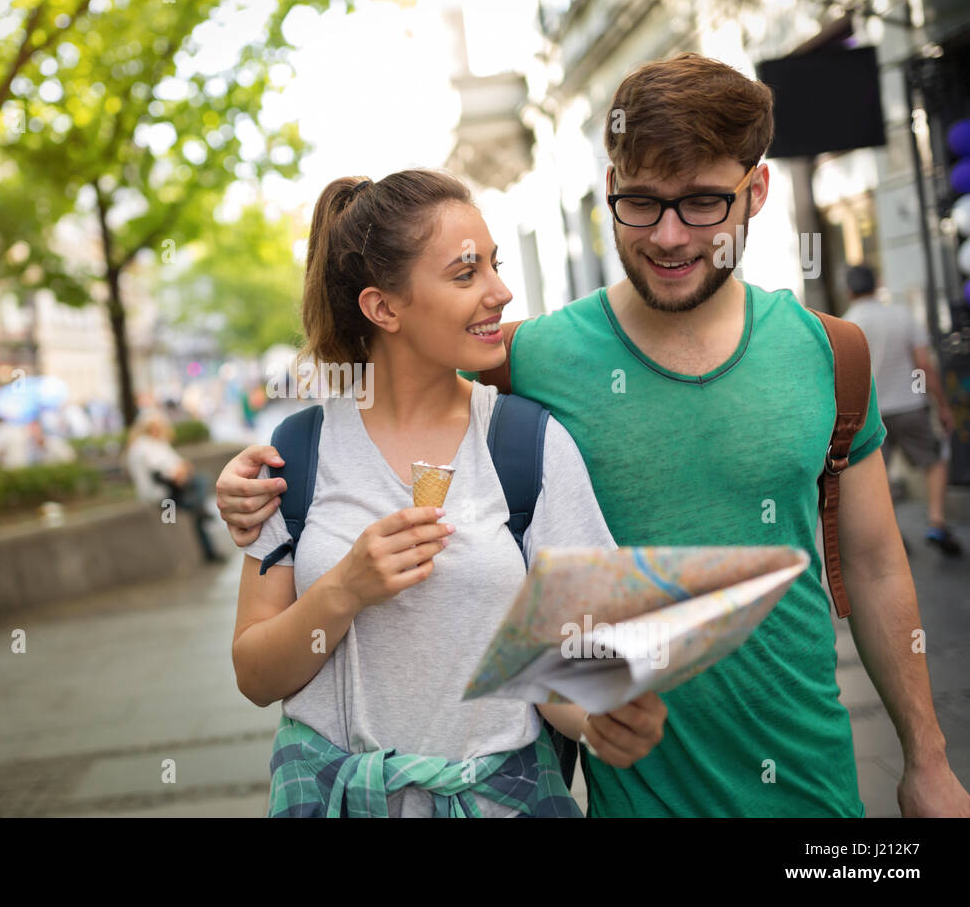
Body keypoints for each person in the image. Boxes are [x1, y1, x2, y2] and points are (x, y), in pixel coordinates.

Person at [217, 54, 969, 818]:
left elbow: (875, 567)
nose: (670, 236)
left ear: (758, 192)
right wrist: (255, 478)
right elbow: (403, 370)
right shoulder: (532, 358)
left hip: (813, 791)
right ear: (609, 191)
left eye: (704, 203)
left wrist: (928, 760)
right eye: (642, 203)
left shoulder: (830, 354)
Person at [230, 170, 666, 818]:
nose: (500, 292)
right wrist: (344, 588)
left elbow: (560, 674)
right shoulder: (297, 453)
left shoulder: (529, 445)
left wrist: (602, 719)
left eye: (494, 265)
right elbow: (256, 677)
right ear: (384, 308)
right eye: (466, 275)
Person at [843, 265, 961, 556]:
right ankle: (936, 522)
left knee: (878, 476)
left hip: (870, 414)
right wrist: (939, 404)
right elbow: (922, 364)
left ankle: (893, 533)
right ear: (877, 284)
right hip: (911, 405)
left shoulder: (845, 325)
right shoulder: (901, 315)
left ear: (849, 291)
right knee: (933, 461)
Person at [126, 410, 225, 564]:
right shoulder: (143, 446)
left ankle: (210, 550)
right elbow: (161, 474)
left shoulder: (156, 443)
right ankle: (209, 547)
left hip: (173, 489)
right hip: (164, 498)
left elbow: (181, 465)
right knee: (200, 489)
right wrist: (179, 474)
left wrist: (181, 473)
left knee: (199, 494)